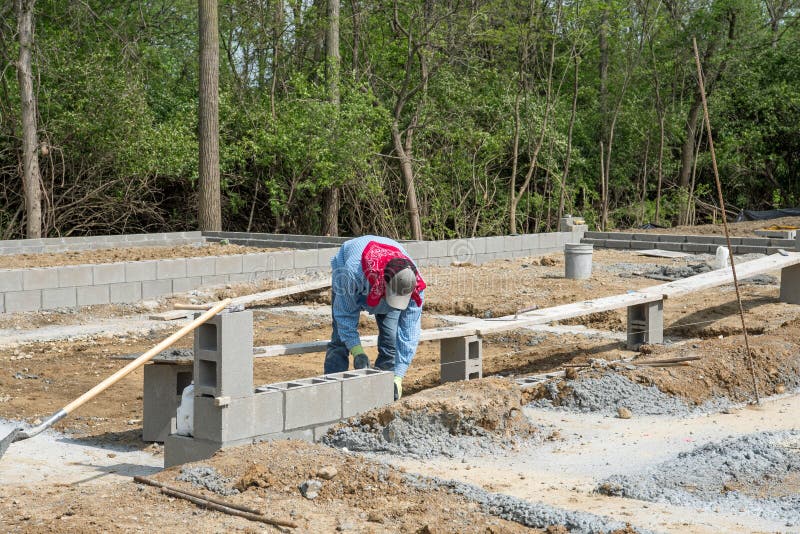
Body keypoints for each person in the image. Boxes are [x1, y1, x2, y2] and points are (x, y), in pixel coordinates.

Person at [325, 235, 426, 400]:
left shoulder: (413, 285)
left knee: (390, 341)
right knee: (339, 341)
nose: (394, 306)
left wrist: (398, 377)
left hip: (387, 282)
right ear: (381, 284)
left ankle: (382, 395)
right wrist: (357, 352)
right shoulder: (351, 273)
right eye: (391, 298)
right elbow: (345, 316)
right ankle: (332, 395)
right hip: (355, 274)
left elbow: (409, 332)